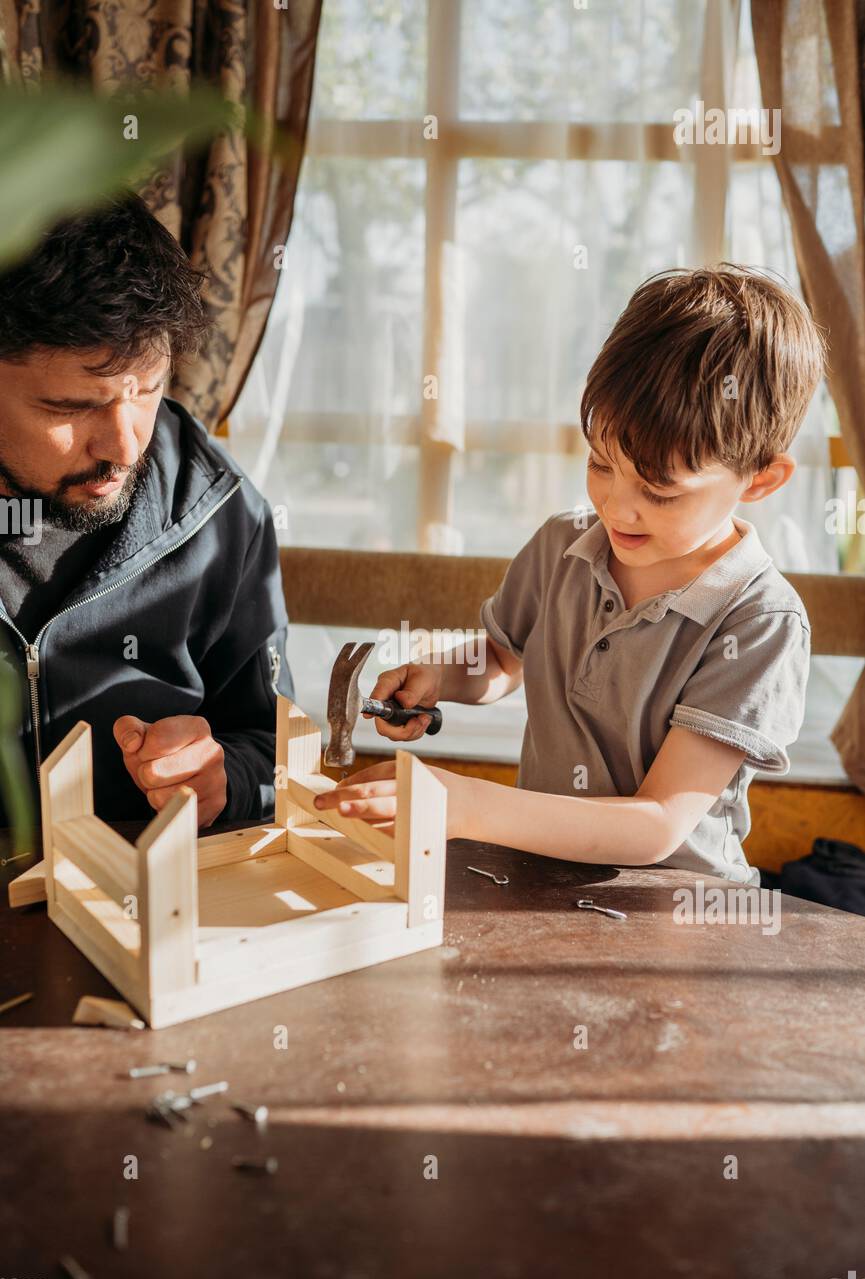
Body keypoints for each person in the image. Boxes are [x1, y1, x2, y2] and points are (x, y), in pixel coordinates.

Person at [313, 266, 825, 887]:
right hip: (541, 880)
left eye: (659, 490)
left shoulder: (759, 621)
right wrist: (442, 675)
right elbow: (505, 659)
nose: (617, 506)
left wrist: (465, 803)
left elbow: (657, 823)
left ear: (762, 478)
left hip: (677, 911)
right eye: (600, 464)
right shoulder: (564, 544)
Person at [0, 191, 293, 831]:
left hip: (137, 913)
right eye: (71, 408)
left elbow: (276, 749)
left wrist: (223, 782)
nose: (125, 447)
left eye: (147, 392)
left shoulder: (220, 512)